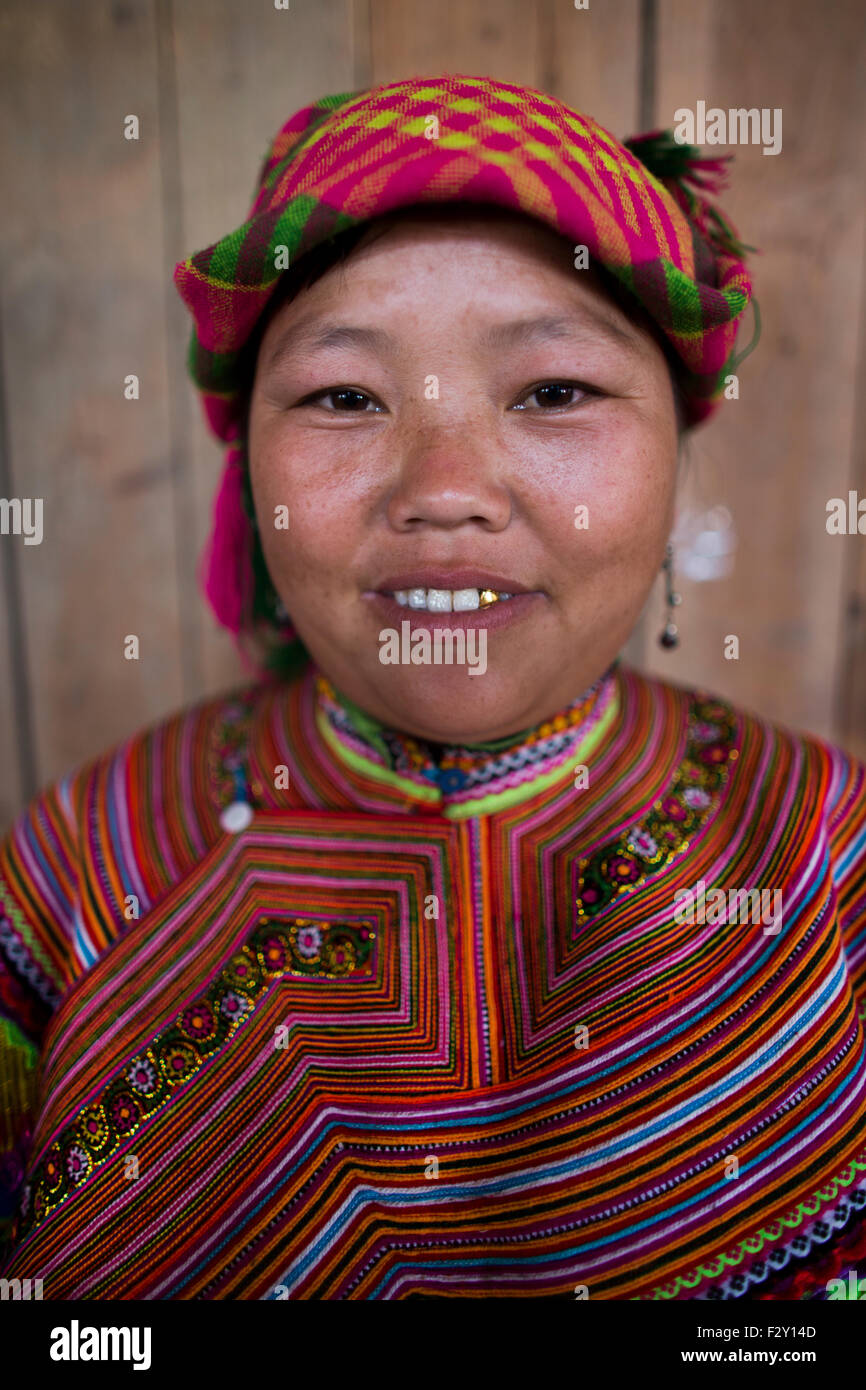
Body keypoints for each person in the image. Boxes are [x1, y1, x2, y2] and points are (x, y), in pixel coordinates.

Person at [1, 73, 864, 1301]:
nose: (443, 486)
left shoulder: (830, 856)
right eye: (344, 397)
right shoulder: (76, 873)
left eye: (554, 390)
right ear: (247, 458)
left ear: (679, 442)